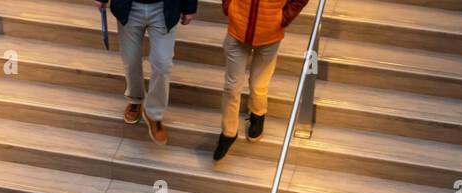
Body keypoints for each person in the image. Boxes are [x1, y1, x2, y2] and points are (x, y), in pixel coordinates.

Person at [214, 0, 309, 161]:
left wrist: (284, 18)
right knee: (232, 87)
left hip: (270, 34)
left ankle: (258, 113)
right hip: (237, 29)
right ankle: (229, 132)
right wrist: (229, 5)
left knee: (258, 85)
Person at [95, 0, 197, 145]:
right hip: (129, 6)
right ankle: (135, 98)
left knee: (163, 64)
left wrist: (189, 6)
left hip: (164, 8)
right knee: (131, 59)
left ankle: (154, 113)